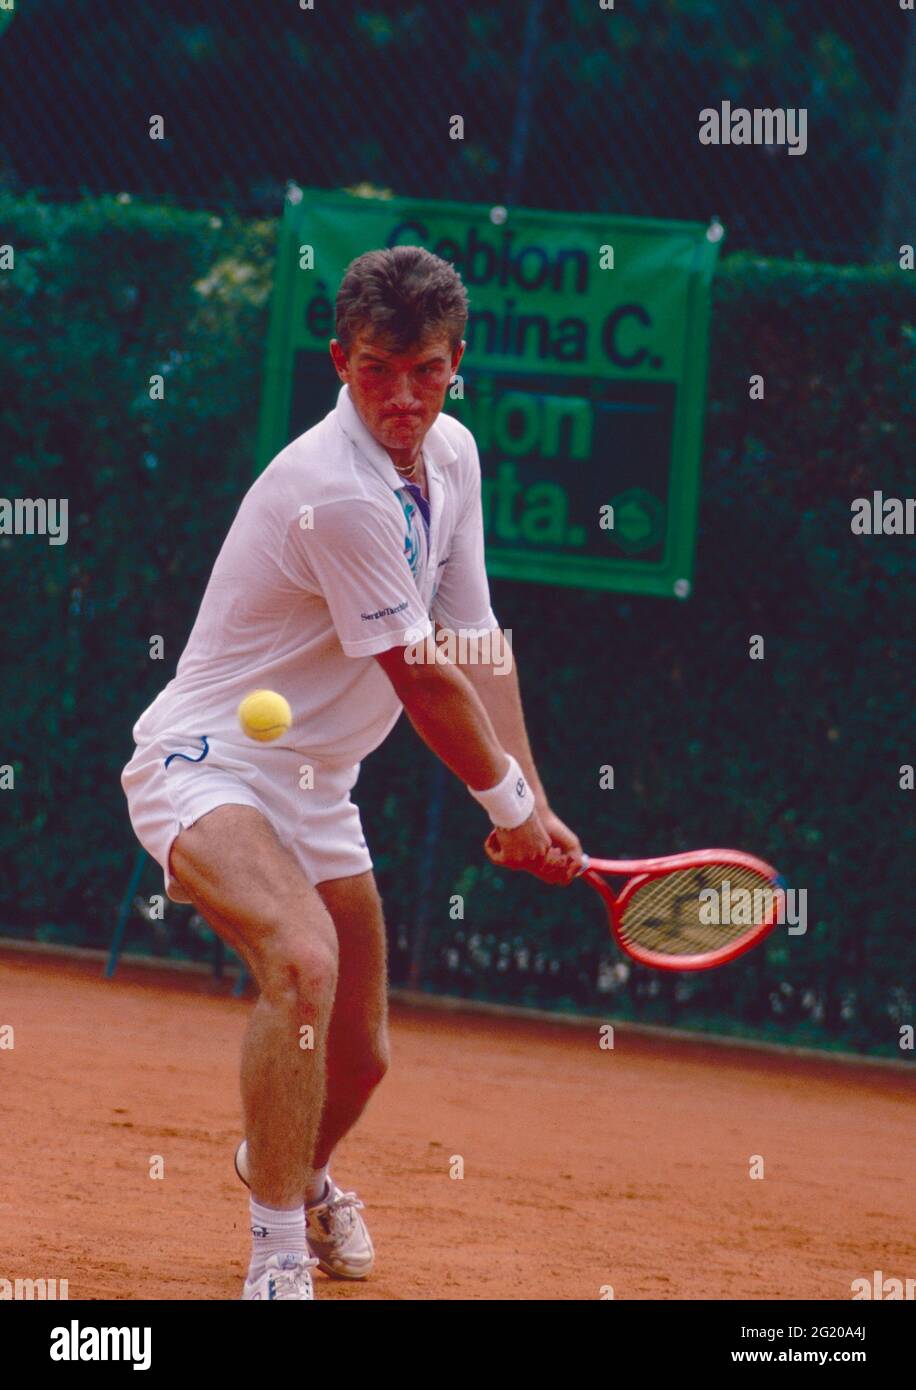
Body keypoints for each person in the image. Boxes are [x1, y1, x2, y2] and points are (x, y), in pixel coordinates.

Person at [120, 245, 584, 1301]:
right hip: (209, 759)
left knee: (362, 1055)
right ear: (339, 360)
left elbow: (472, 641)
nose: (402, 397)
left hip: (318, 787)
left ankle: (294, 1168)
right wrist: (505, 808)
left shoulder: (453, 458)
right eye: (378, 369)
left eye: (425, 370)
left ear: (455, 364)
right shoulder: (337, 492)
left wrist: (535, 802)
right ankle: (277, 1248)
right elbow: (421, 681)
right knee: (301, 959)